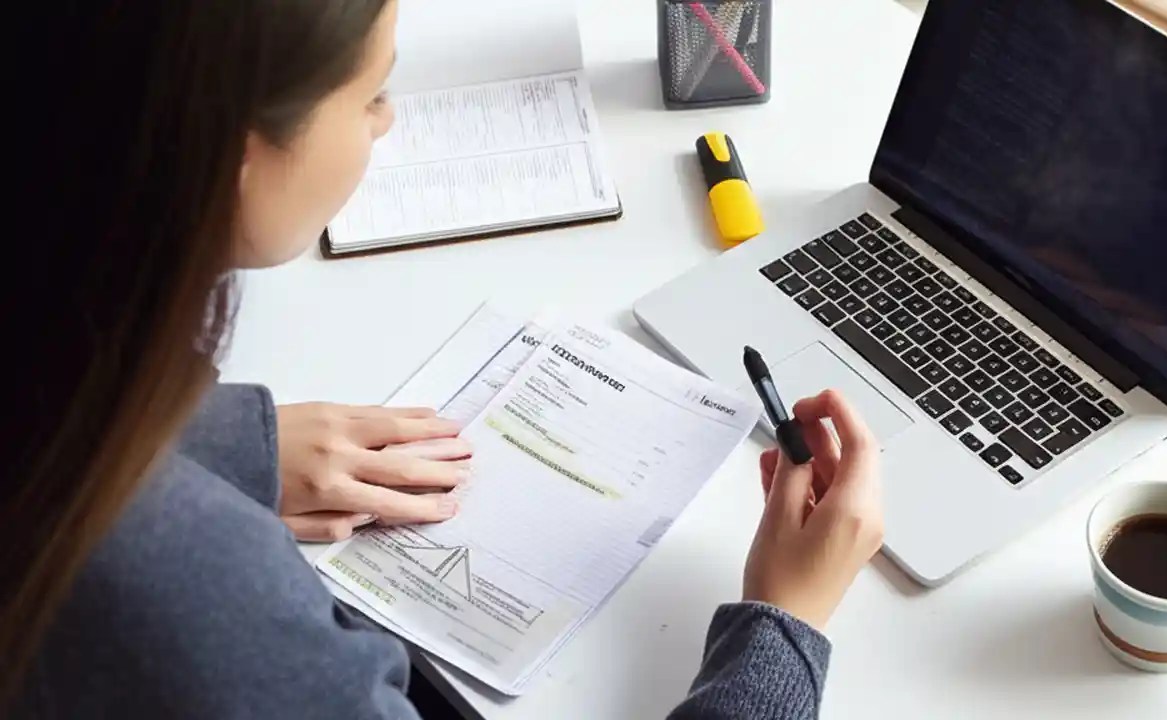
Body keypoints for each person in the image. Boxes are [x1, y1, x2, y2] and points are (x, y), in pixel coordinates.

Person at [1, 2, 884, 718]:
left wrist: (217, 440)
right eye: (372, 95)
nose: (386, 124)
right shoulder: (211, 609)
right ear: (240, 154)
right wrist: (782, 626)